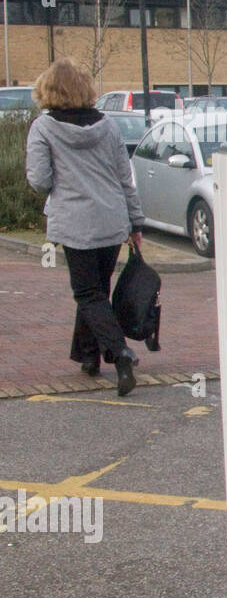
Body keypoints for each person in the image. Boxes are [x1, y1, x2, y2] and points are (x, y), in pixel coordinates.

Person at [25, 57, 145, 396]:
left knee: (88, 293)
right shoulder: (107, 125)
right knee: (97, 290)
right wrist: (136, 221)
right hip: (111, 219)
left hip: (76, 223)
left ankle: (119, 352)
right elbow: (126, 178)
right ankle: (88, 356)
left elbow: (40, 181)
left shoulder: (43, 128)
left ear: (48, 91)